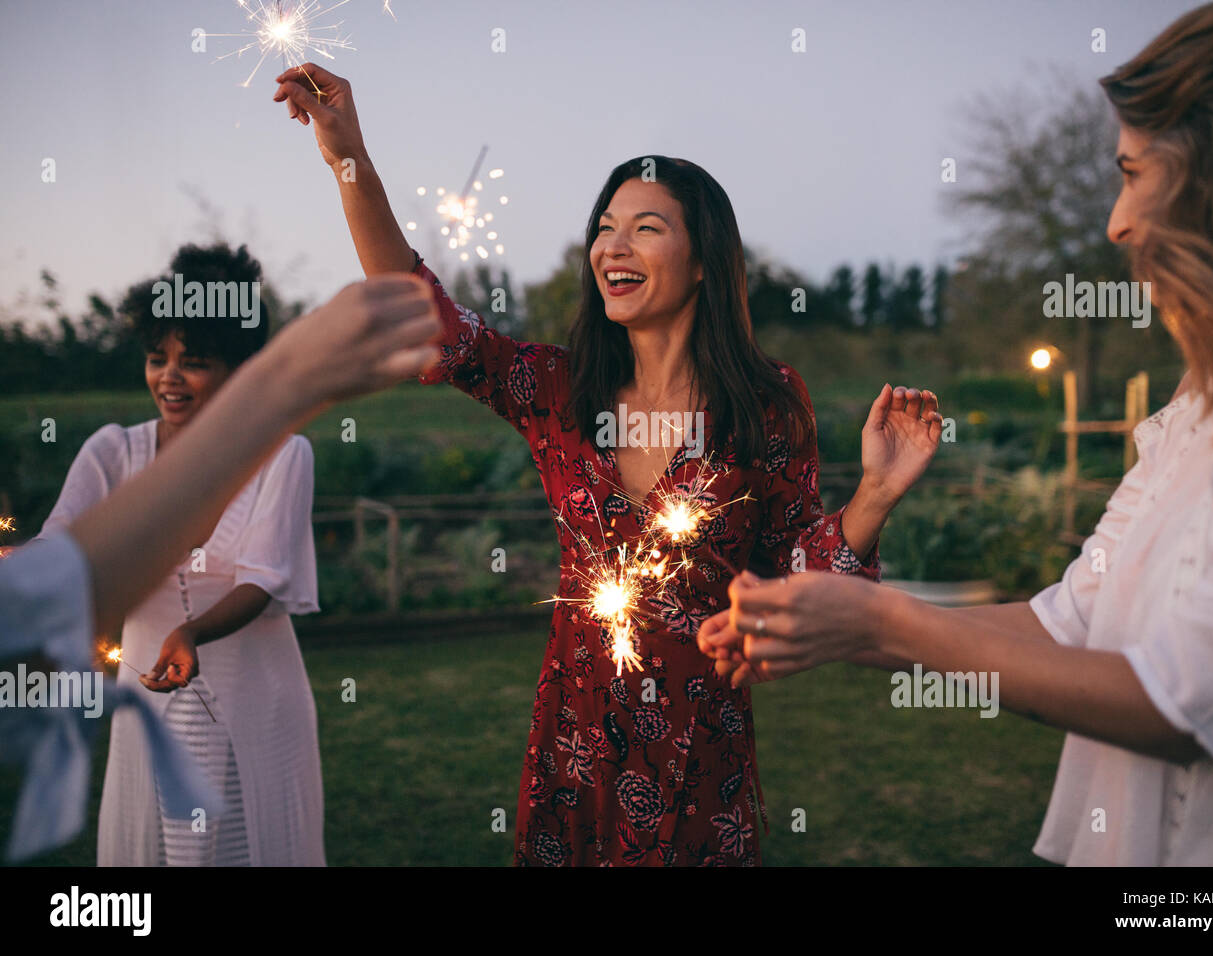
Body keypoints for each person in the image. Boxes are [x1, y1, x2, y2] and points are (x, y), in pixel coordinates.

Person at [273, 65, 943, 865]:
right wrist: (347, 155)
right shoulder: (557, 388)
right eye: (605, 226)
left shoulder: (766, 404)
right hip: (574, 743)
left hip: (699, 761)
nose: (612, 247)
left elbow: (797, 579)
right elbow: (419, 309)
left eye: (646, 228)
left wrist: (877, 492)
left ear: (704, 260)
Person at [698, 0, 1213, 866]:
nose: (1116, 222)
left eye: (1133, 172)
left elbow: (1182, 709)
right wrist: (838, 626)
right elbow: (1069, 623)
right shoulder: (1195, 409)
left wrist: (879, 622)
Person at [0, 274, 441, 862]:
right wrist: (22, 561)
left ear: (238, 370)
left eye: (194, 362)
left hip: (252, 698)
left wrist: (192, 631)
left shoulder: (284, 453)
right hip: (147, 695)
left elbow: (264, 576)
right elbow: (62, 541)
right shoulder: (113, 451)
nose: (169, 377)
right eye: (157, 359)